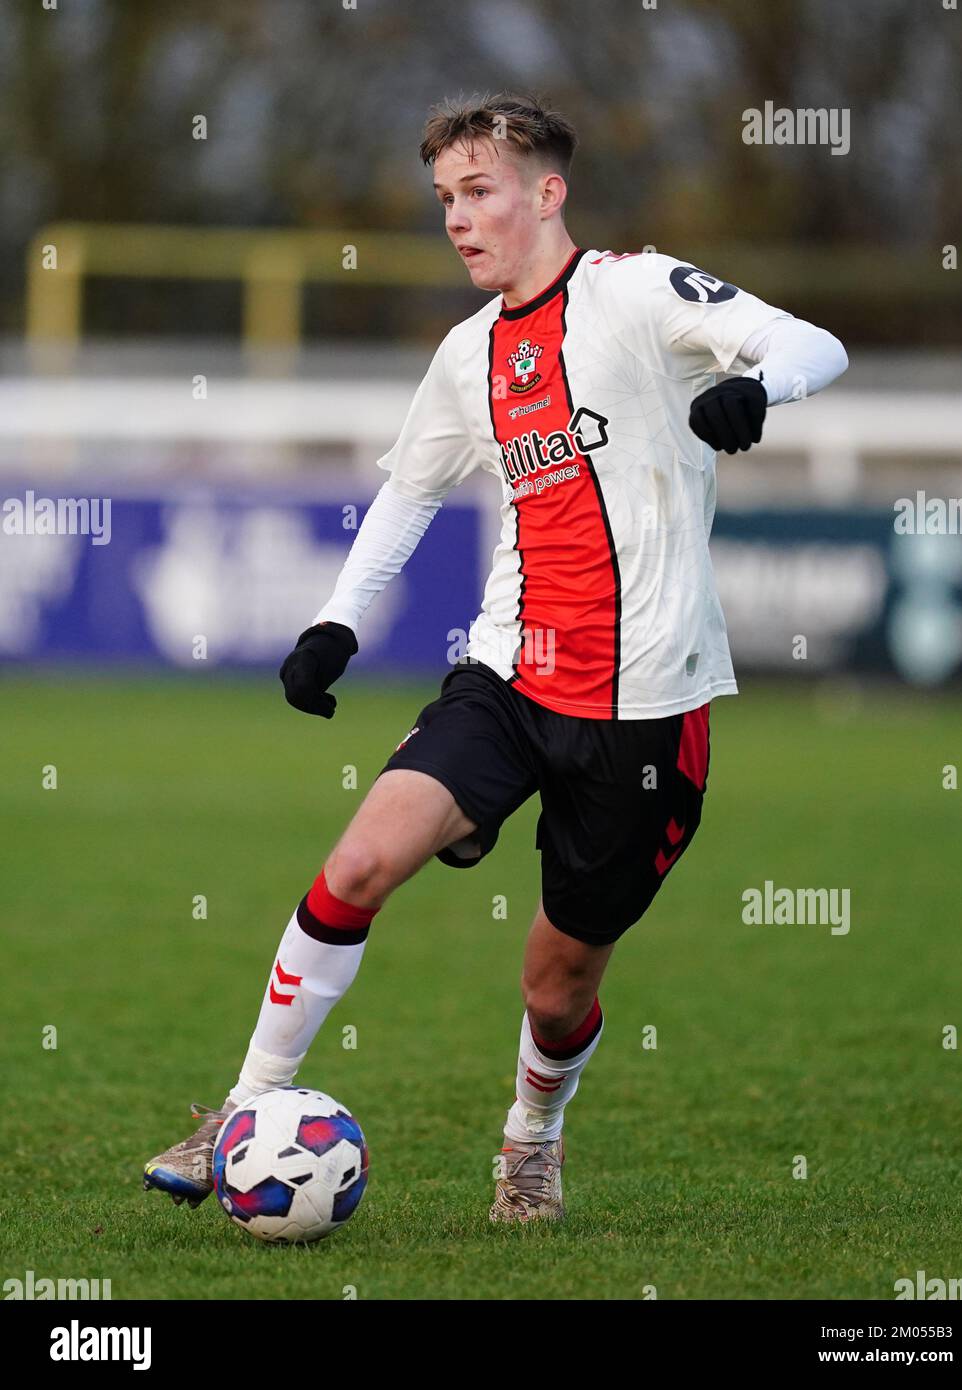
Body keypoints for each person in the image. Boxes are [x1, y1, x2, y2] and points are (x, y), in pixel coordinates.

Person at [144, 91, 848, 1223]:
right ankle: (240, 1106)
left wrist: (755, 384)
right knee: (358, 864)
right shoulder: (468, 353)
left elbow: (812, 341)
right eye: (444, 201)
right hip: (509, 675)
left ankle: (532, 1137)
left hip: (646, 715)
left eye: (478, 193)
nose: (459, 220)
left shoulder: (637, 292)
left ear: (546, 192)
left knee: (556, 983)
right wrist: (337, 621)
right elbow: (408, 492)